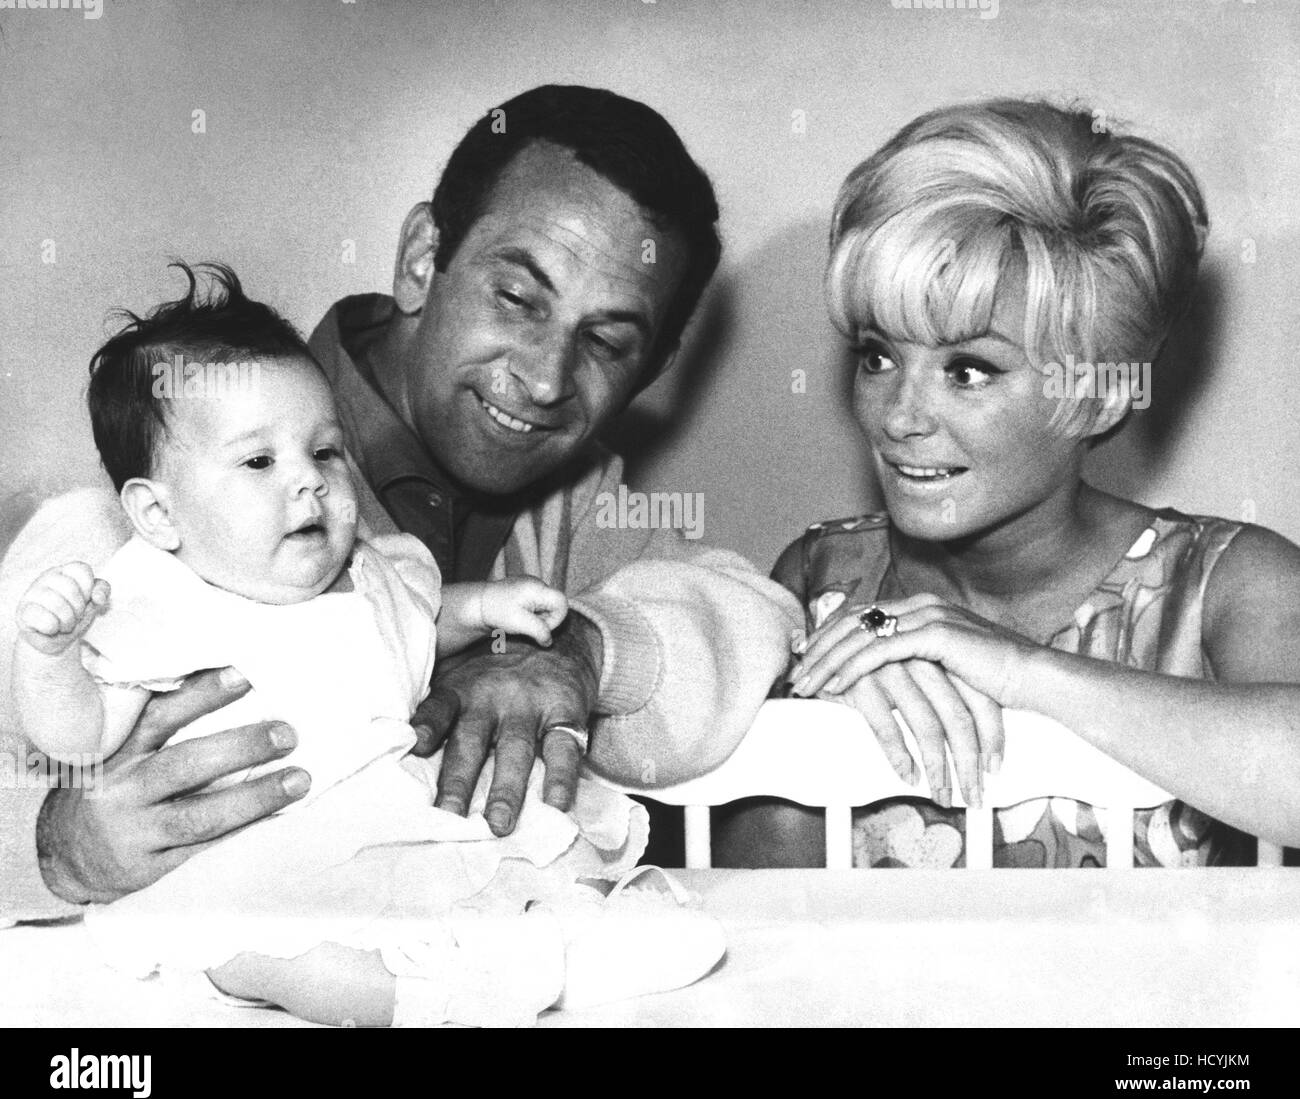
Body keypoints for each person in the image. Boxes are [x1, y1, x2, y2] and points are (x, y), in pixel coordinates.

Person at [0, 84, 801, 921]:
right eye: (517, 298)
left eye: (606, 341)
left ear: (653, 369)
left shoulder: (586, 509)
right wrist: (53, 846)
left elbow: (758, 613)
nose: (543, 377)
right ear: (424, 259)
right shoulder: (115, 528)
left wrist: (584, 651)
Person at [16, 264, 723, 1028]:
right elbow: (78, 735)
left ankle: (578, 946)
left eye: (324, 453)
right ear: (157, 514)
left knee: (527, 843)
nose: (310, 484)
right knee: (280, 954)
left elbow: (419, 618)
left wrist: (486, 606)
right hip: (254, 852)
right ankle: (431, 998)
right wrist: (48, 654)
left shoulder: (365, 572)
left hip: (392, 810)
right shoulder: (153, 601)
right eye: (260, 462)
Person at [716, 99, 1300, 868]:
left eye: (968, 369)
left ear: (1098, 395)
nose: (898, 417)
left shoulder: (1227, 585)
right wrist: (804, 723)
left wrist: (1025, 673)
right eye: (877, 356)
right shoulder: (822, 580)